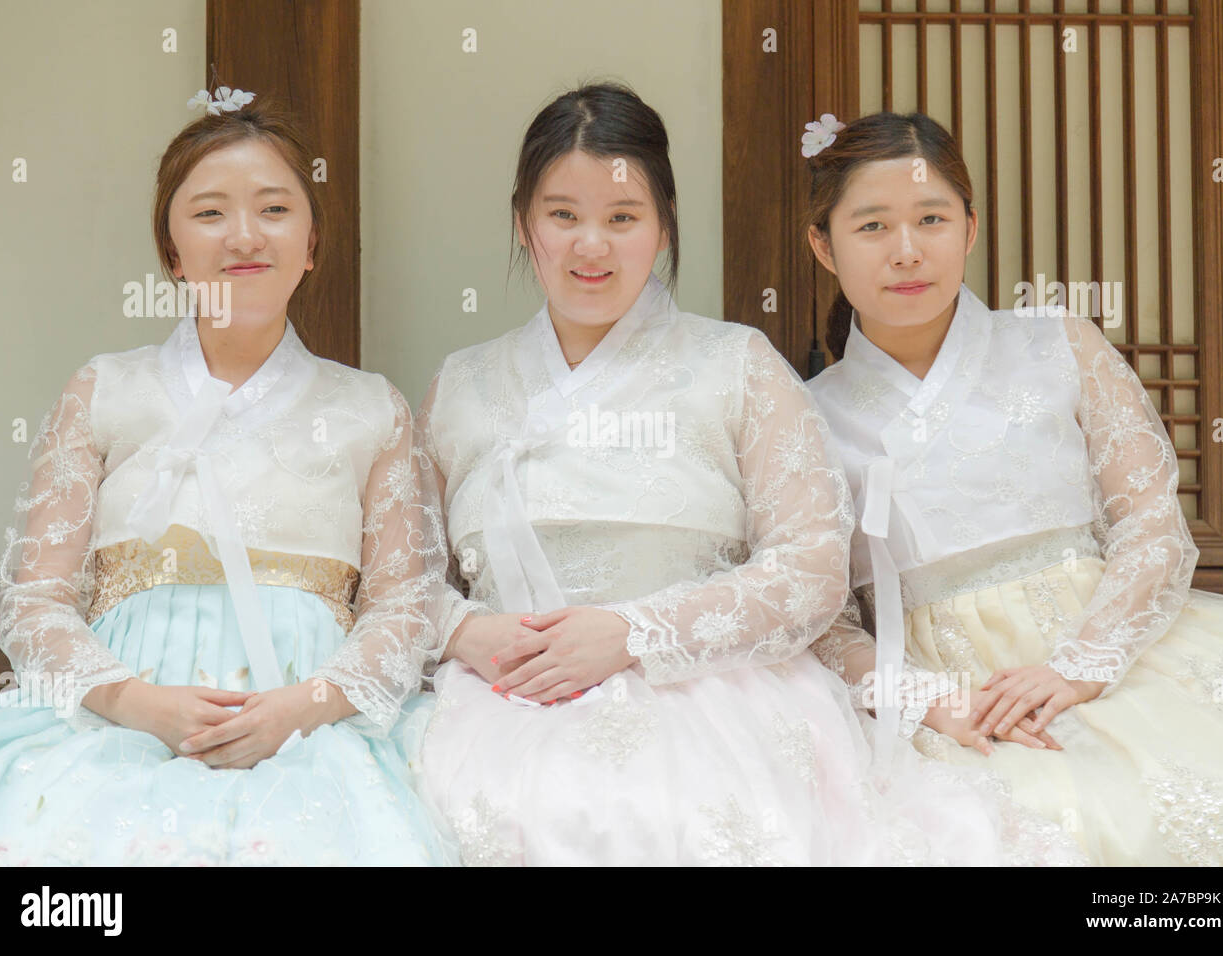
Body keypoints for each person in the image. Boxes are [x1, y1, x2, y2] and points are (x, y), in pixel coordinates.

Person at [414, 83, 1085, 865]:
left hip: (708, 703)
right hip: (498, 702)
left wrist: (633, 634)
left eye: (622, 218)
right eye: (563, 215)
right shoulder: (460, 384)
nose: (590, 245)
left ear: (663, 228)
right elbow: (406, 579)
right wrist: (466, 631)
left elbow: (809, 571)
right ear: (524, 224)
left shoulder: (738, 366)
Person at [0, 88, 457, 866]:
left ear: (312, 244)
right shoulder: (103, 390)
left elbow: (404, 610)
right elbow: (34, 602)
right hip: (113, 725)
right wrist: (138, 704)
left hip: (312, 731)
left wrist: (299, 710)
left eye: (272, 209)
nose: (243, 236)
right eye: (208, 214)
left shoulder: (372, 409)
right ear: (170, 252)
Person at [803, 110, 1223, 865]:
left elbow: (1152, 524)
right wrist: (924, 699)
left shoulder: (1057, 342)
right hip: (947, 700)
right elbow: (819, 618)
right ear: (823, 244)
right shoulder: (809, 417)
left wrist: (1080, 665)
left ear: (971, 227)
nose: (907, 251)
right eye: (872, 227)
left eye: (932, 218)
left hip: (1113, 650)